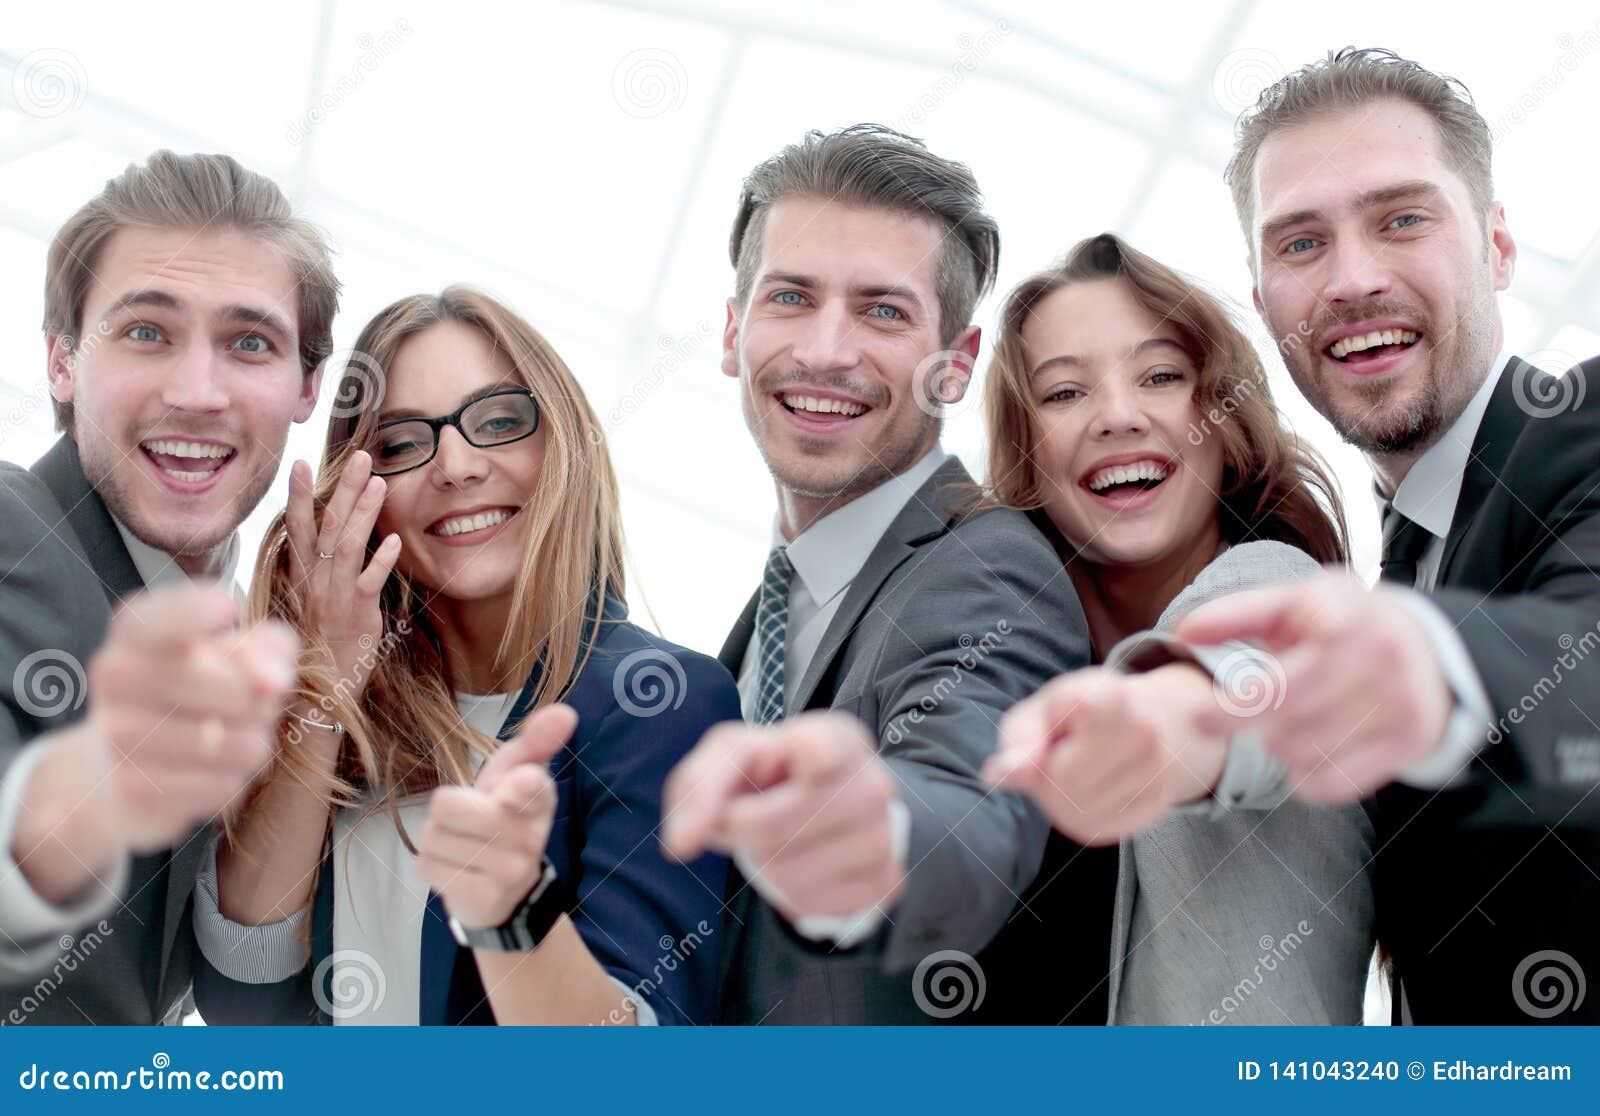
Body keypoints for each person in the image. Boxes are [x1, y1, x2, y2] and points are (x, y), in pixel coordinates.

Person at [1172, 47, 1600, 1023]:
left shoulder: (1585, 428)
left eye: (1400, 219)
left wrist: (1418, 663)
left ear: (1495, 246)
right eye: (1299, 245)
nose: (1351, 280)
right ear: (1262, 296)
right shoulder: (1398, 564)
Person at [192, 286, 735, 1026]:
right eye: (403, 442)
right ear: (362, 491)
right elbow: (240, 996)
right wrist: (325, 687)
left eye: (500, 421)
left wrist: (510, 907)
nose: (454, 465)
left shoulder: (662, 698)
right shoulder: (357, 715)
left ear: (563, 445)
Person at [661, 124, 1094, 1025]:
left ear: (957, 365)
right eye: (791, 297)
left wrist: (872, 827)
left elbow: (969, 800)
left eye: (883, 311)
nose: (826, 351)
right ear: (735, 331)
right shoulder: (766, 616)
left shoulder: (987, 567)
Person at [981, 233, 1374, 1024]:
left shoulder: (1285, 588)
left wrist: (1166, 720)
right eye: (1063, 394)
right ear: (1025, 452)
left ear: (1223, 420)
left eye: (1161, 377)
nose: (1117, 417)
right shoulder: (998, 667)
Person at [0, 151, 328, 1024]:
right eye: (147, 331)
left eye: (248, 343)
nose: (196, 392)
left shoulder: (265, 655)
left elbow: (247, 1013)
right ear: (62, 362)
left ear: (307, 387)